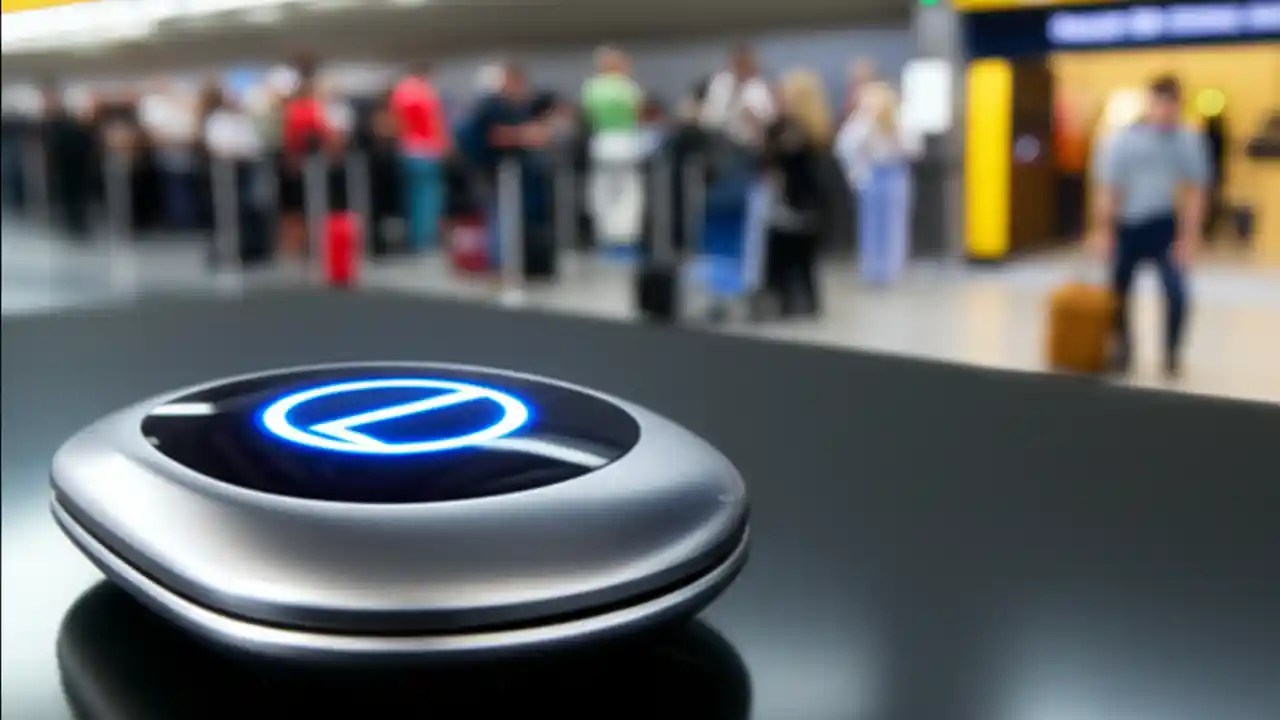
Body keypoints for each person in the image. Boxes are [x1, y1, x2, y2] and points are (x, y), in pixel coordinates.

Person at [1090, 75, 1209, 378]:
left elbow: (1195, 191)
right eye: (1161, 104)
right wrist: (1103, 230)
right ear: (1150, 103)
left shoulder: (1188, 140)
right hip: (1127, 226)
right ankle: (1123, 350)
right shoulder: (1123, 140)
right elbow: (1109, 188)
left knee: (1177, 293)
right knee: (1118, 293)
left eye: (1173, 105)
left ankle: (1171, 354)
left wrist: (1189, 238)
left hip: (1164, 226)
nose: (1166, 111)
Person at [464, 62, 553, 275]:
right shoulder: (492, 107)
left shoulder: (519, 108)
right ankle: (500, 265)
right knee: (499, 219)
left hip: (517, 173)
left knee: (513, 219)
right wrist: (522, 135)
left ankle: (516, 262)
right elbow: (493, 135)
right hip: (494, 171)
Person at [762, 70, 832, 316]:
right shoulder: (820, 132)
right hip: (813, 208)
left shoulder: (793, 135)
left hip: (793, 205)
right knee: (806, 262)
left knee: (784, 257)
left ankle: (788, 303)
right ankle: (808, 303)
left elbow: (774, 161)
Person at [836, 81, 912, 286]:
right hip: (873, 173)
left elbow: (913, 148)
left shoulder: (900, 119)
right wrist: (856, 173)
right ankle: (872, 268)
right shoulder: (862, 121)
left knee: (894, 224)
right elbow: (845, 146)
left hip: (894, 172)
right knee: (871, 224)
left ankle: (892, 268)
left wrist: (896, 132)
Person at [581, 46, 645, 255]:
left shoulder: (592, 87)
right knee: (628, 192)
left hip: (601, 142)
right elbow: (637, 114)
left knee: (602, 191)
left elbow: (588, 116)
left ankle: (605, 236)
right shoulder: (629, 86)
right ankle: (626, 237)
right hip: (627, 142)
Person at [389, 65, 450, 252]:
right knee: (429, 199)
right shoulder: (426, 91)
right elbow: (435, 121)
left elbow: (397, 123)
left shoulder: (400, 92)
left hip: (408, 150)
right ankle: (426, 242)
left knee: (412, 199)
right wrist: (443, 145)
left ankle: (415, 240)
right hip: (427, 150)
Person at [278, 58, 328, 259]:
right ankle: (299, 245)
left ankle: (300, 245)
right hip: (302, 161)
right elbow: (317, 132)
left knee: (299, 206)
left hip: (302, 161)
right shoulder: (308, 109)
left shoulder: (295, 109)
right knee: (300, 206)